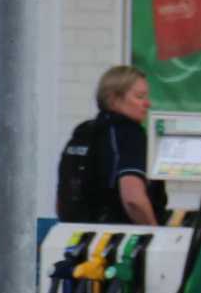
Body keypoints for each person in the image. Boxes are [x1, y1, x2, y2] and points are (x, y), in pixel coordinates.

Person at [57, 65, 159, 226]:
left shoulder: (83, 132)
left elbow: (64, 194)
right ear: (114, 99)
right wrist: (156, 235)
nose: (147, 103)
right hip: (116, 233)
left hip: (72, 233)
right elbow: (133, 199)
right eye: (140, 97)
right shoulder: (129, 133)